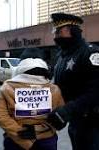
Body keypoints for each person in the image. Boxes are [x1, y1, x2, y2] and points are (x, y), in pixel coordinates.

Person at [0, 48, 65, 150]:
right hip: (46, 140)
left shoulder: (8, 87)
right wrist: (37, 130)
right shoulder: (54, 89)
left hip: (16, 140)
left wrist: (20, 132)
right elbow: (59, 116)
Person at [47, 12, 99, 150]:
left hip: (93, 124)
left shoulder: (90, 53)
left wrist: (68, 110)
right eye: (54, 32)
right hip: (75, 121)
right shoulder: (62, 57)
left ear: (73, 31)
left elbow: (96, 91)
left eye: (58, 31)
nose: (55, 36)